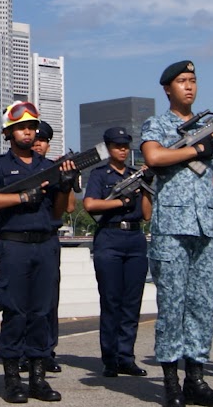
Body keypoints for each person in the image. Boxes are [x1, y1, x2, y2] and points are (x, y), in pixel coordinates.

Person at [141, 59, 213, 407]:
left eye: (193, 80)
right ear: (168, 88)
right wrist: (196, 148)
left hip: (205, 226)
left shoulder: (210, 127)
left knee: (201, 306)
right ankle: (170, 382)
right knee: (172, 306)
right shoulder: (158, 123)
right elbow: (153, 157)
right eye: (182, 81)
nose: (189, 86)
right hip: (171, 227)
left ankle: (195, 378)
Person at [0, 103, 76, 404]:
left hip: (45, 243)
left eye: (31, 126)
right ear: (8, 132)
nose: (27, 131)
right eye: (20, 127)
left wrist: (66, 187)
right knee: (15, 312)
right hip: (14, 244)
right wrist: (19, 197)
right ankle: (12, 378)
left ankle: (38, 378)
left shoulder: (47, 167)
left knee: (42, 313)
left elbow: (59, 212)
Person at [83, 126, 151, 378]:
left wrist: (147, 186)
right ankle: (110, 358)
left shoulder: (136, 174)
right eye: (116, 146)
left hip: (134, 237)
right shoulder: (100, 175)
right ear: (108, 148)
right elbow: (90, 204)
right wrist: (120, 202)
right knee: (111, 301)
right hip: (109, 236)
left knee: (132, 302)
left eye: (125, 146)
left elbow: (146, 213)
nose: (122, 150)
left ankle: (127, 356)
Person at [31, 120, 64, 375]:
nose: (38, 144)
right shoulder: (17, 168)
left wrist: (66, 181)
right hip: (19, 240)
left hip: (48, 237)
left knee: (49, 300)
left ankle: (47, 351)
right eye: (35, 139)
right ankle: (23, 350)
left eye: (42, 140)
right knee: (20, 299)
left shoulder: (55, 169)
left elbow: (69, 208)